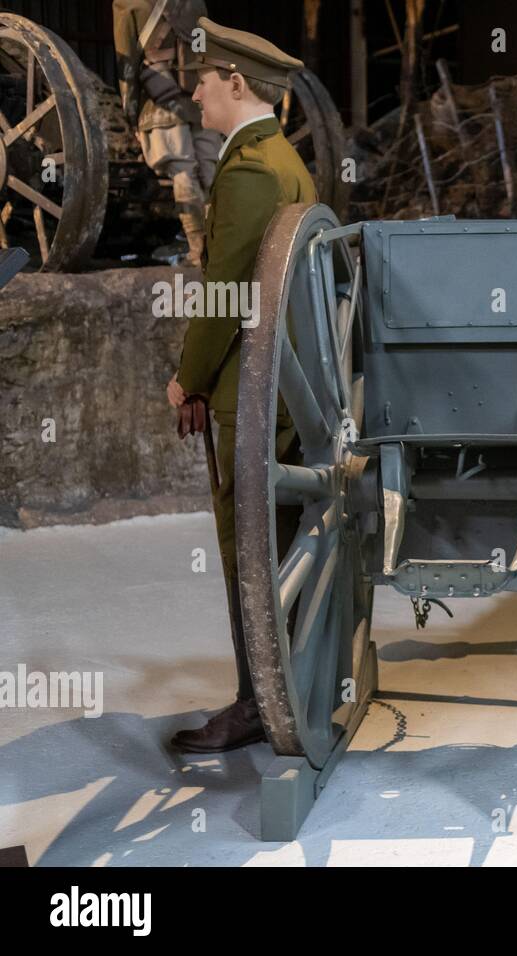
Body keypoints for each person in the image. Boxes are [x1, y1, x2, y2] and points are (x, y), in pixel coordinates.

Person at [165, 17, 317, 752]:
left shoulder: (253, 169)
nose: (194, 92)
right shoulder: (284, 160)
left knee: (247, 551)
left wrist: (187, 377)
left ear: (235, 81)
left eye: (203, 79)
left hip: (248, 394)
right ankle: (284, 689)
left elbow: (227, 289)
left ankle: (258, 704)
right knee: (276, 546)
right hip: (282, 388)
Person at [113, 0, 222, 265]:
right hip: (198, 101)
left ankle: (198, 251)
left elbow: (126, 63)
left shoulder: (128, 4)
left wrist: (130, 111)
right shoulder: (195, 3)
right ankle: (222, 248)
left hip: (160, 102)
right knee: (212, 174)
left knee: (183, 173)